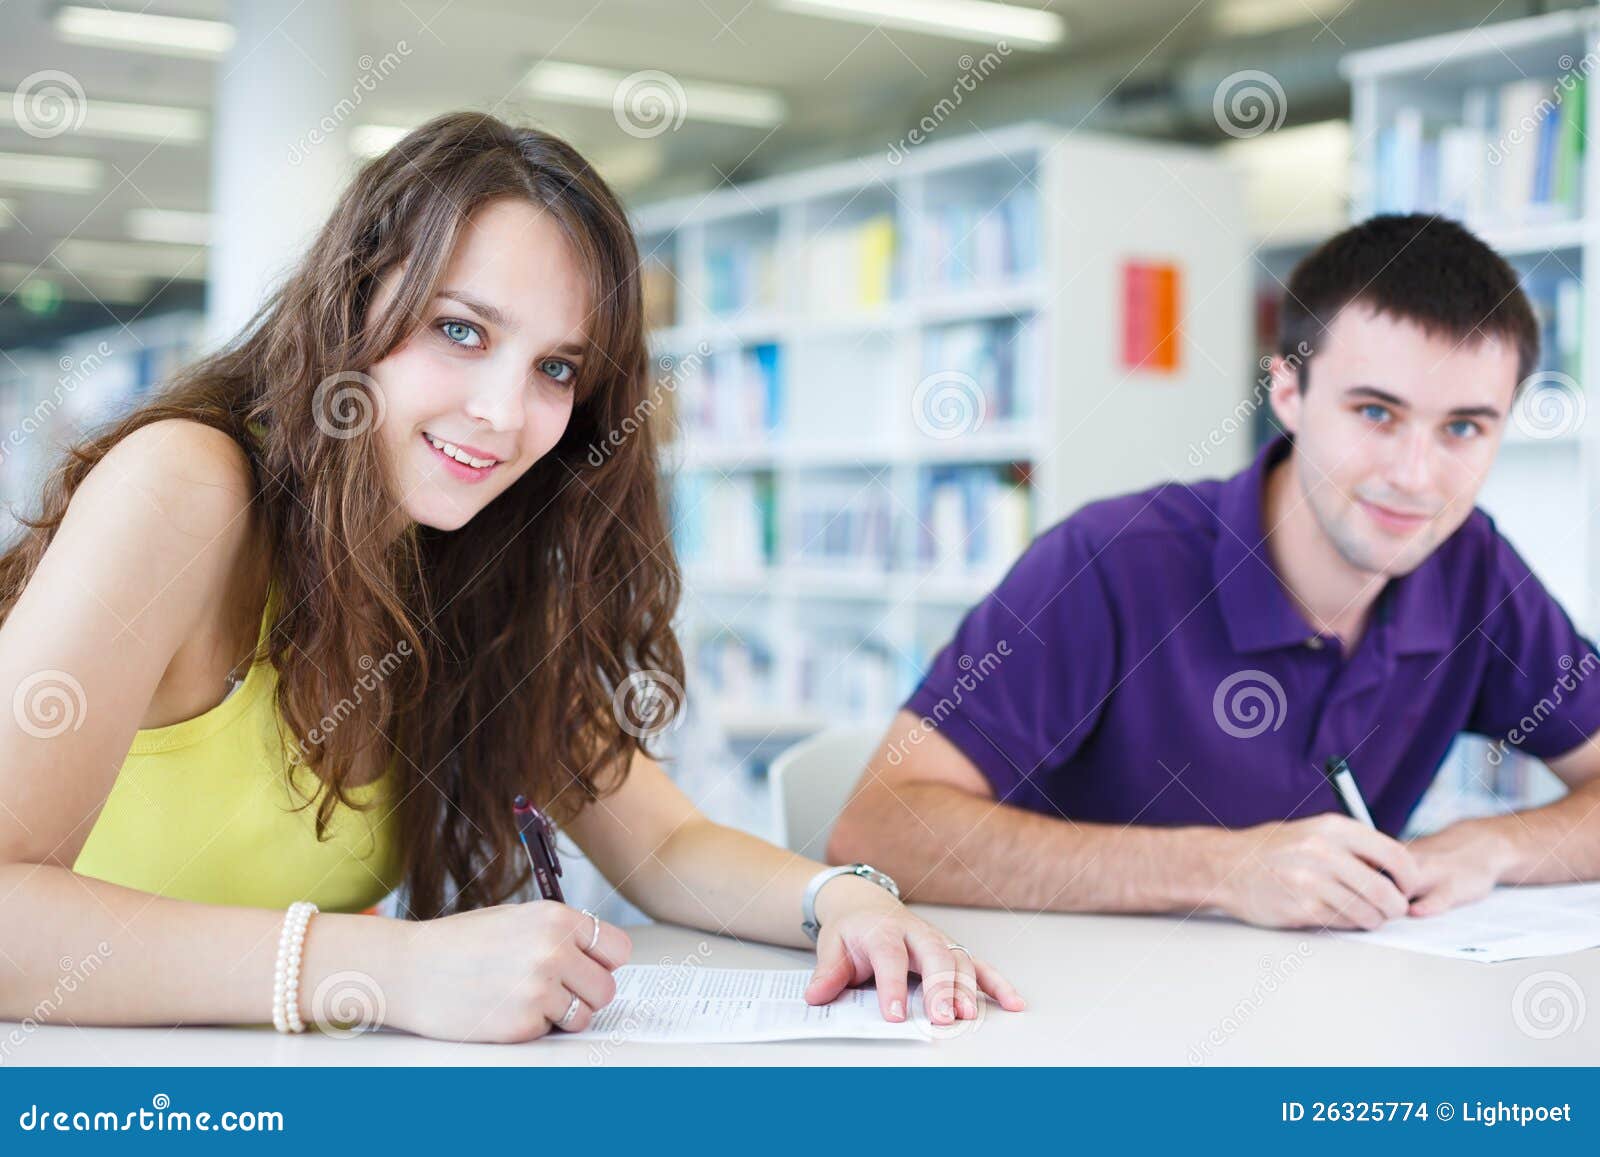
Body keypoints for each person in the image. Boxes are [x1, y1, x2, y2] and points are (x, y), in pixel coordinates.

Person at [0, 112, 1022, 1042]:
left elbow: (663, 843)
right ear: (352, 302)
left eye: (556, 368)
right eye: (460, 330)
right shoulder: (187, 487)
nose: (503, 413)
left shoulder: (468, 555)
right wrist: (384, 967)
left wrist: (845, 899)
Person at [830, 214, 1600, 932]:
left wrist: (1491, 846)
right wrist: (1221, 869)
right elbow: (878, 827)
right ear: (1288, 391)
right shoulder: (1108, 560)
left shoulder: (1472, 568)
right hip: (1074, 1000)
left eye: (1463, 427)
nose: (1414, 476)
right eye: (1375, 413)